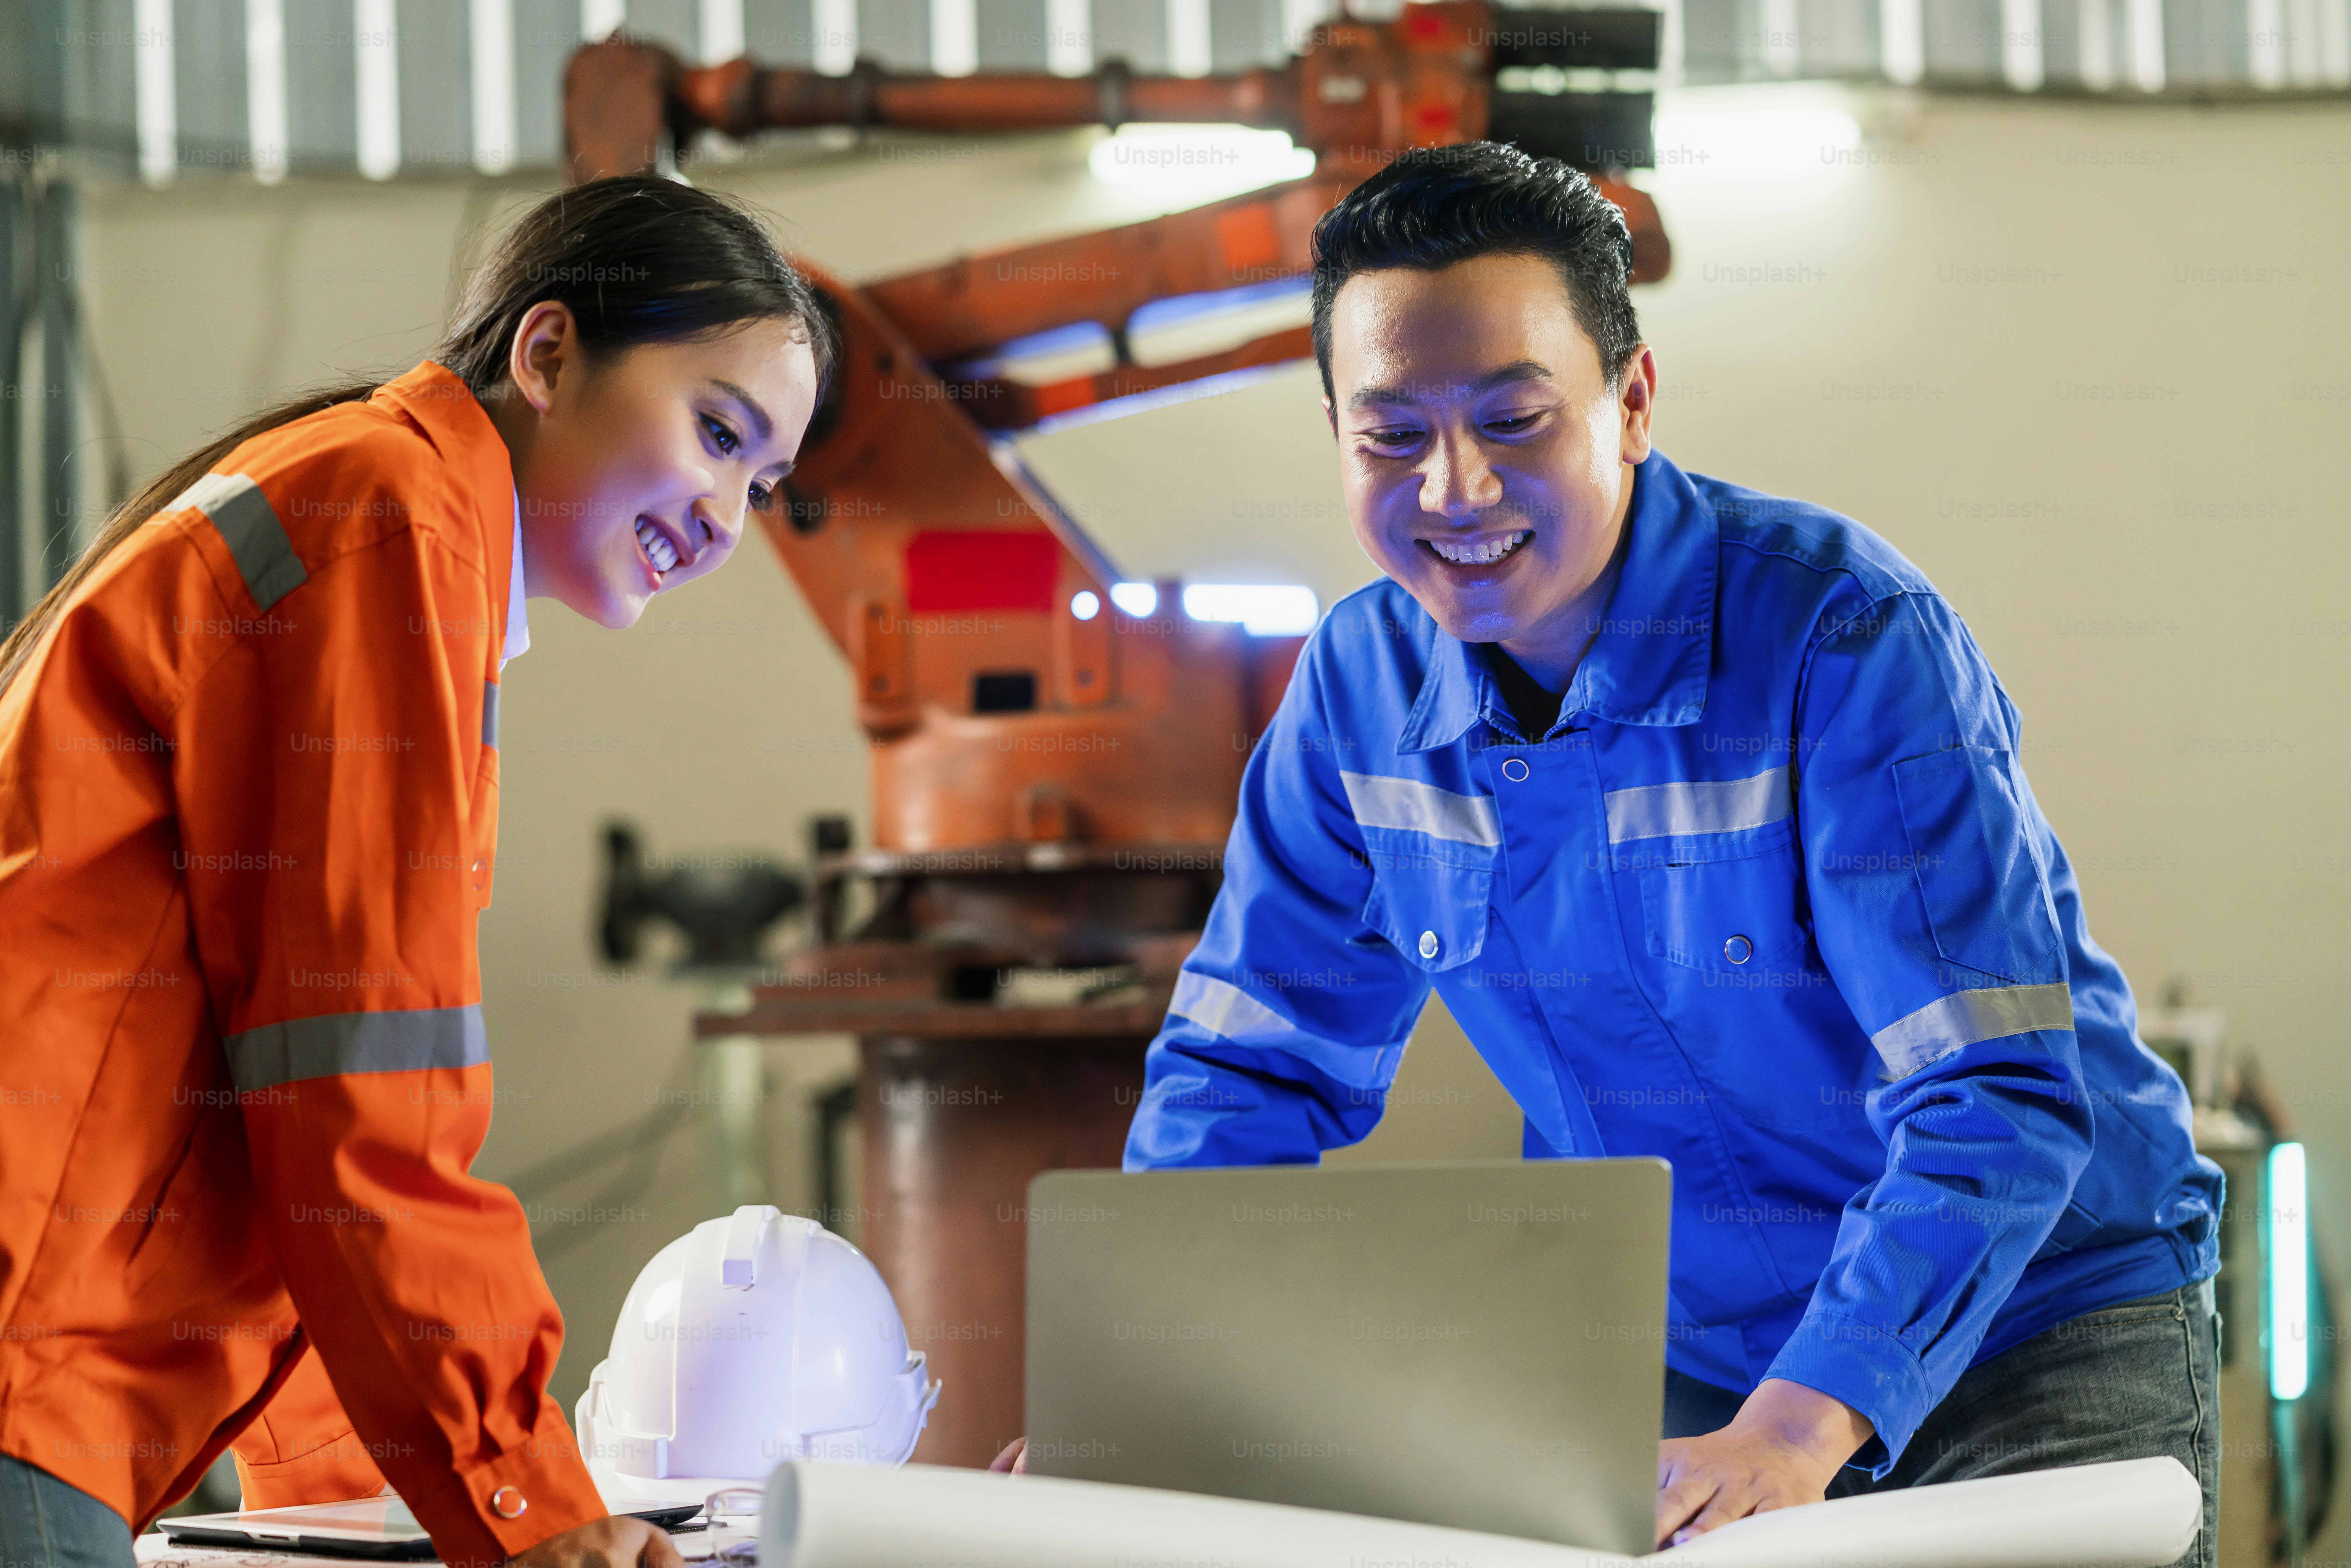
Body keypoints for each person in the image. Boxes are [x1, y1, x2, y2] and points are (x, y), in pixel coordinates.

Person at [1121, 143, 2223, 1563]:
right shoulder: (1353, 695)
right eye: (1390, 438)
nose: (1454, 489)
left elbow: (1988, 1091)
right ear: (1334, 431)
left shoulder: (1842, 640)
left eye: (1513, 419)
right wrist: (1147, 1395)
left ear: (1631, 402)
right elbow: (1245, 1075)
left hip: (2033, 1320)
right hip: (1692, 1352)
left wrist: (1799, 1430)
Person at [0, 175, 828, 1568]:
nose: (724, 518)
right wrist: (521, 1502)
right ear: (547, 354)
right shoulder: (389, 522)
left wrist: (344, 1508)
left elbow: (292, 1114)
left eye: (761, 482)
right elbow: (358, 1088)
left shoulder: (371, 507)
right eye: (715, 431)